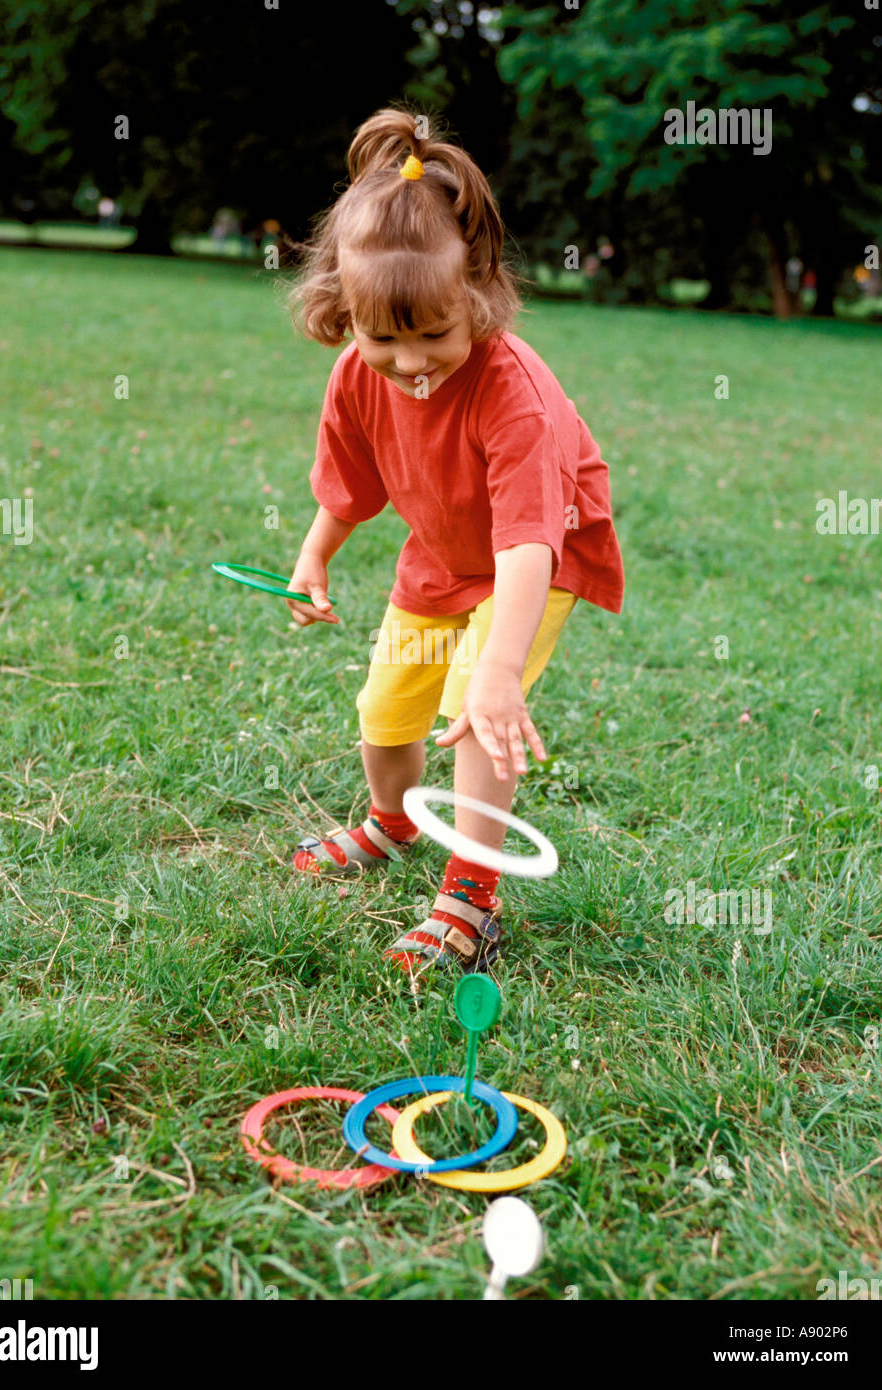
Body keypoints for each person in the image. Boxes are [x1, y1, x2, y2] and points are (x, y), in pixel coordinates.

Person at [284, 109, 624, 983]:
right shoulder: (360, 373)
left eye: (433, 334)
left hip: (539, 555)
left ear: (475, 294)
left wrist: (500, 671)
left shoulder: (514, 397)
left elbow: (527, 542)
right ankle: (392, 822)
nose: (409, 362)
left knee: (474, 705)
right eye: (381, 337)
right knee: (385, 712)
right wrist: (315, 553)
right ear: (344, 311)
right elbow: (351, 477)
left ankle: (471, 896)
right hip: (439, 556)